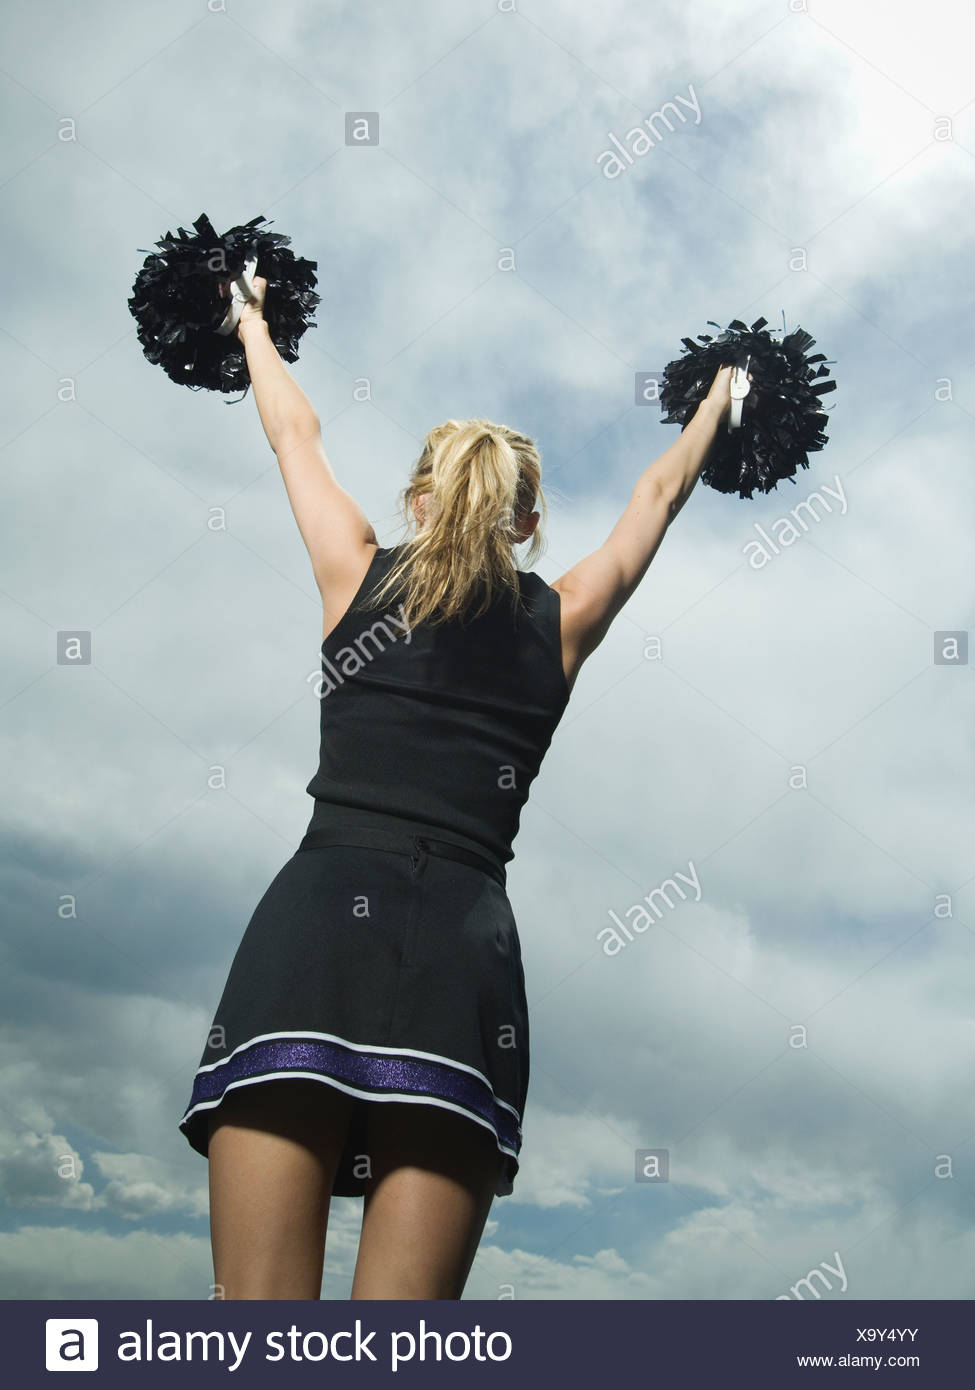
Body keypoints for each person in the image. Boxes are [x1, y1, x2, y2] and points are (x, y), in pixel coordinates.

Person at [178, 275, 736, 1300]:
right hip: (461, 961)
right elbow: (658, 496)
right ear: (529, 522)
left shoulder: (353, 570)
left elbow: (293, 436)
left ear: (415, 499)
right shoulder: (561, 617)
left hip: (312, 938)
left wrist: (248, 317)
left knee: (257, 1335)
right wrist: (726, 390)